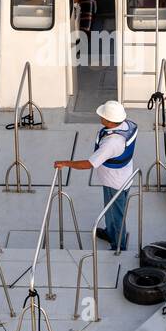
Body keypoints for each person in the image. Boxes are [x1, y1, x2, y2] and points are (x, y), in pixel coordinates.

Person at [54, 100, 138, 251]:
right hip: (124, 175)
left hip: (115, 182)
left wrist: (66, 163)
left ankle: (119, 246)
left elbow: (89, 164)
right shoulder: (127, 125)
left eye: (103, 116)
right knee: (110, 210)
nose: (100, 117)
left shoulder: (112, 142)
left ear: (110, 121)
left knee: (116, 214)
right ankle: (110, 233)